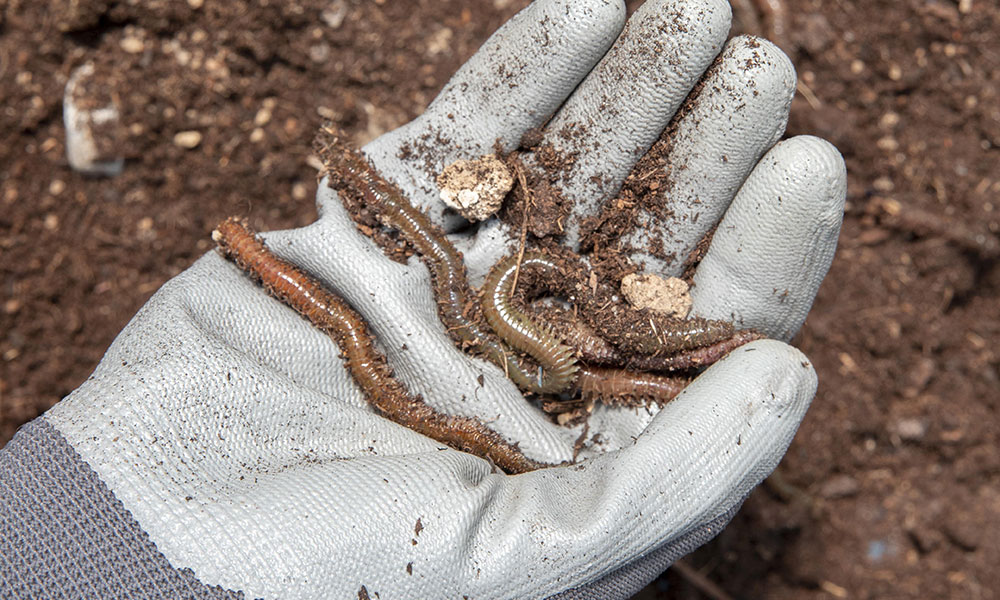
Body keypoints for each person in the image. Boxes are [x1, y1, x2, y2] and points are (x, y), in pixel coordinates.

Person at [0, 0, 846, 598]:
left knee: (464, 300)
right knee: (452, 303)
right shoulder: (500, 314)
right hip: (517, 318)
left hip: (523, 312)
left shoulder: (511, 308)